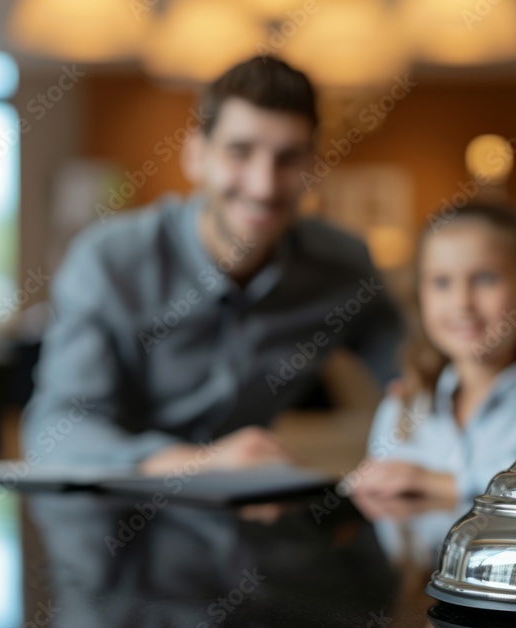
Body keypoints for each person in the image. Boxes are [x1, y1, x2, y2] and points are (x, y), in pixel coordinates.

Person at [22, 56, 403, 474]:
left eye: (288, 158)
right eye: (240, 152)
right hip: (115, 517)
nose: (263, 185)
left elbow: (418, 374)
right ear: (196, 156)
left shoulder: (343, 267)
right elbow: (56, 430)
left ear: (313, 167)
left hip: (252, 521)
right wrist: (199, 464)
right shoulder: (109, 261)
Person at [349, 201, 516, 519]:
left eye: (486, 278)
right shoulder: (401, 410)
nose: (461, 301)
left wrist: (442, 484)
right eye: (441, 282)